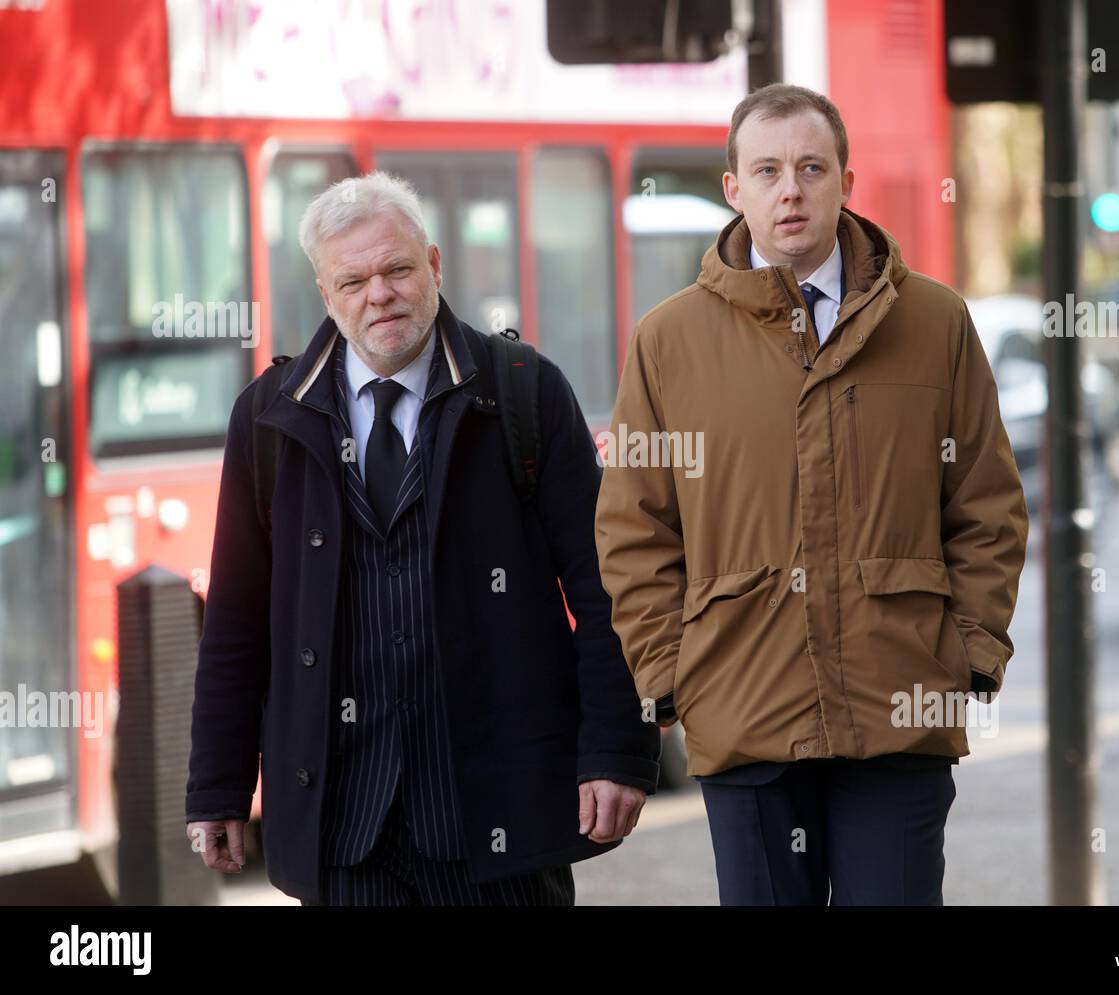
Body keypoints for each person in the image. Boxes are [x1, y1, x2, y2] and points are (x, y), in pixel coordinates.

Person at [594, 84, 1028, 905]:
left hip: (901, 710)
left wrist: (970, 654)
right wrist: (672, 674)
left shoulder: (935, 322)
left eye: (809, 168)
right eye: (767, 171)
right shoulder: (669, 340)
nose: (789, 189)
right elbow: (634, 528)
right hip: (742, 708)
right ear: (734, 189)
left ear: (844, 182)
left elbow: (986, 502)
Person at [186, 171, 658, 906]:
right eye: (353, 280)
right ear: (325, 295)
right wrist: (217, 785)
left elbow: (608, 592)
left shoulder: (524, 392)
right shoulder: (267, 419)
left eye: (397, 269)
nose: (379, 294)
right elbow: (235, 625)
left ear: (434, 265)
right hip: (345, 828)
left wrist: (618, 751)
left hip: (496, 821)